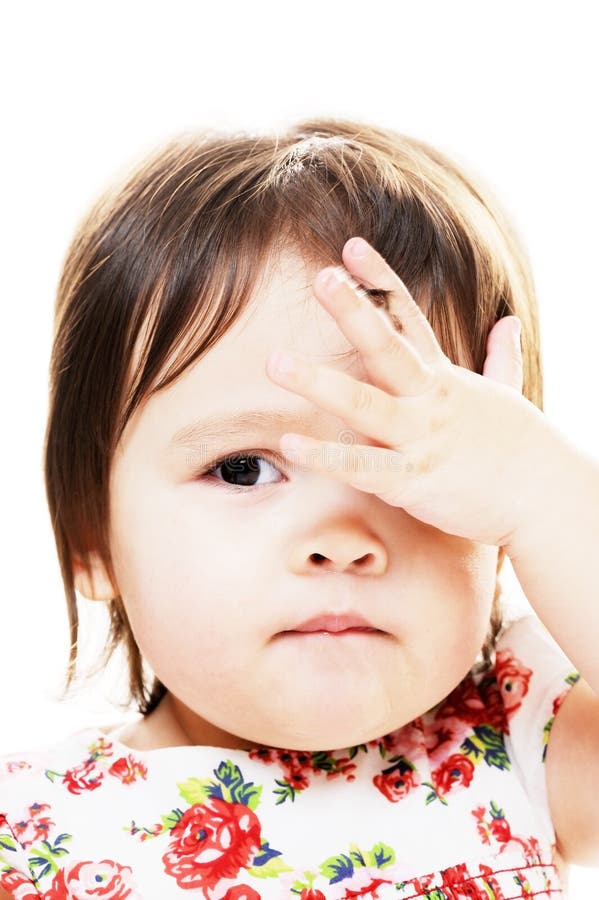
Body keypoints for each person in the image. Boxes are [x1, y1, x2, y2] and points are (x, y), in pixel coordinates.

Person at [1, 118, 597, 899]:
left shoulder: (523, 741)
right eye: (243, 469)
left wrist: (541, 488)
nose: (342, 541)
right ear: (91, 541)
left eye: (410, 470)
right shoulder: (30, 835)